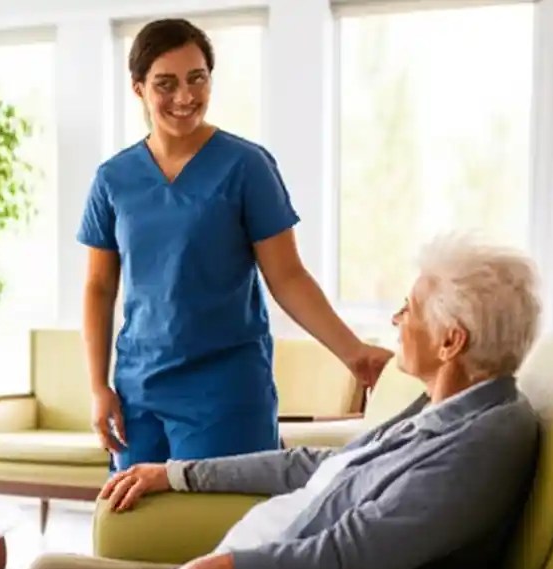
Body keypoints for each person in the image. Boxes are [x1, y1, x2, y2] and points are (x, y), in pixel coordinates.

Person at [0, 234, 543, 569]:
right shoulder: (442, 410)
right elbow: (314, 465)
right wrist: (177, 474)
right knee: (46, 567)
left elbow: (352, 551)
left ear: (452, 341)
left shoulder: (486, 440)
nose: (396, 320)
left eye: (409, 310)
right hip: (260, 565)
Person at [82, 18, 392, 467]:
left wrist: (353, 352)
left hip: (224, 391)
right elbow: (98, 286)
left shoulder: (247, 167)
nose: (185, 97)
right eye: (165, 84)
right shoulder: (113, 179)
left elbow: (286, 276)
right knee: (133, 529)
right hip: (138, 392)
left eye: (197, 79)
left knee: (222, 531)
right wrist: (98, 386)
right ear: (139, 89)